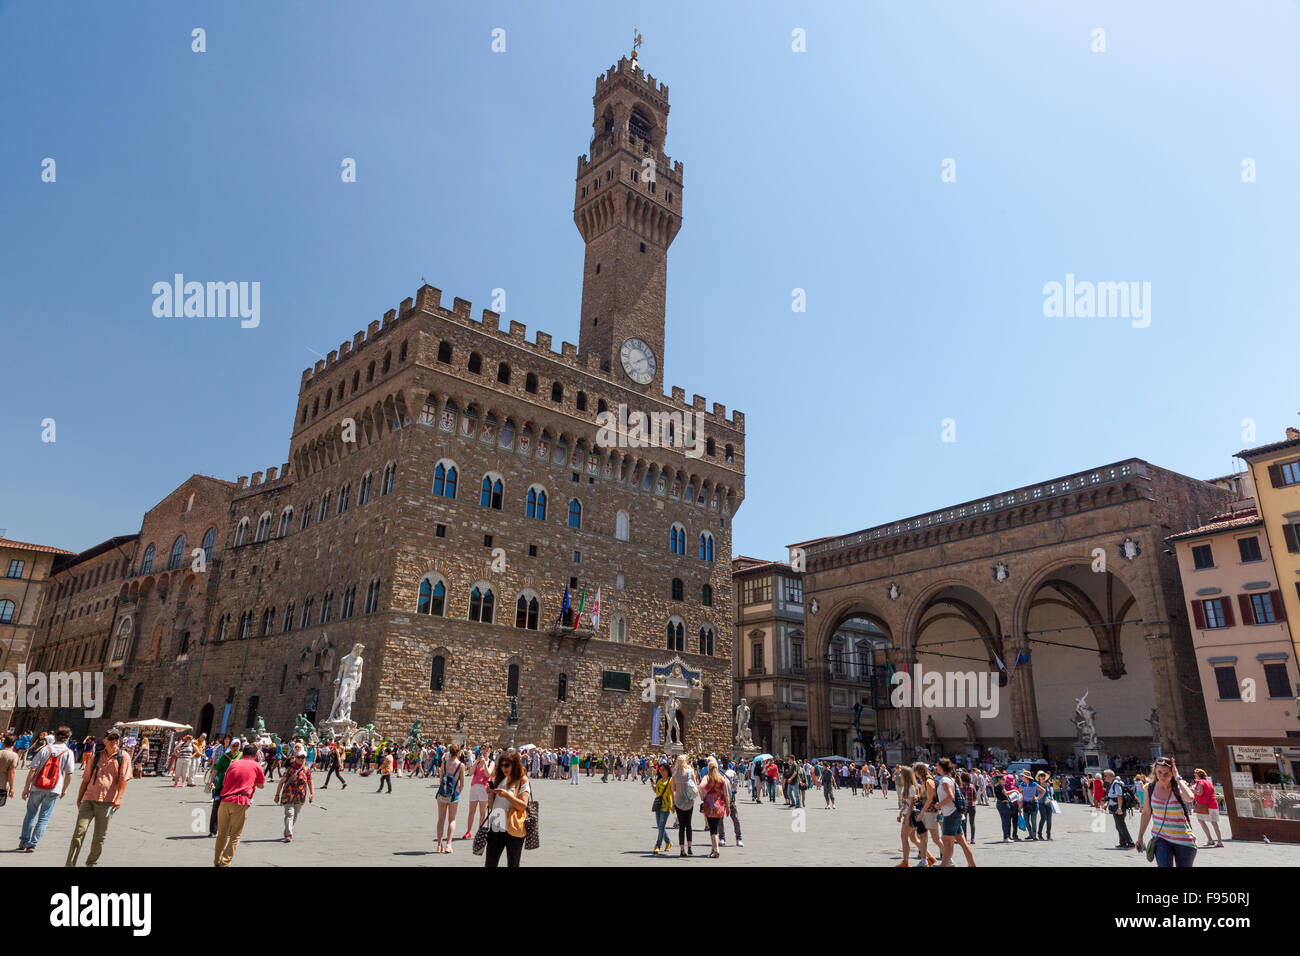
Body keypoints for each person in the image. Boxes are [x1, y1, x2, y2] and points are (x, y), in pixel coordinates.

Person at [66, 729, 130, 867]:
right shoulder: (96, 757)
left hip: (108, 803)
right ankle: (70, 864)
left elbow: (123, 779)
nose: (115, 741)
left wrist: (119, 798)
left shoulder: (123, 756)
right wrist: (79, 798)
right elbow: (85, 779)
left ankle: (91, 863)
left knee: (99, 837)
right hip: (89, 799)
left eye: (117, 738)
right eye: (111, 738)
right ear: (105, 740)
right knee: (79, 832)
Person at [18, 725, 76, 852]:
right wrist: (64, 789)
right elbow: (69, 773)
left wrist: (26, 787)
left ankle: (24, 841)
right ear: (68, 738)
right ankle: (32, 844)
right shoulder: (68, 752)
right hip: (54, 788)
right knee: (44, 817)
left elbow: (33, 769)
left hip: (37, 786)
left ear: (55, 736)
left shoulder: (45, 750)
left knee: (30, 814)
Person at [1136, 757, 1197, 867]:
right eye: (1159, 772)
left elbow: (1189, 798)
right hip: (1161, 838)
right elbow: (1146, 813)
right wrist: (1140, 837)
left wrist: (1178, 777)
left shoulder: (1178, 788)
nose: (1162, 776)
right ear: (1155, 770)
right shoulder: (1149, 788)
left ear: (1172, 773)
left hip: (1183, 838)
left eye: (1167, 773)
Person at [214, 743, 266, 867]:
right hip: (240, 801)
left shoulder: (234, 764)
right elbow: (261, 785)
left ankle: (217, 861)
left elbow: (225, 782)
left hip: (225, 800)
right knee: (235, 835)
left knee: (221, 833)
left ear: (243, 752)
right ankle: (225, 862)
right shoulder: (256, 765)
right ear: (255, 755)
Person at [484, 748, 530, 868]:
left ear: (514, 765)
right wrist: (490, 795)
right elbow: (491, 807)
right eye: (501, 765)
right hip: (496, 827)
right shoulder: (500, 779)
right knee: (490, 863)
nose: (503, 768)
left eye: (507, 765)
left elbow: (523, 805)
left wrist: (506, 795)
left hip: (513, 828)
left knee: (513, 864)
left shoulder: (522, 780)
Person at [934, 758, 977, 867]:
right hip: (955, 813)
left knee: (947, 842)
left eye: (937, 765)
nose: (936, 767)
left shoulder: (944, 780)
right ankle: (972, 865)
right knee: (961, 842)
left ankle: (943, 865)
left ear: (941, 767)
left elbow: (950, 797)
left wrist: (939, 804)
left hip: (950, 814)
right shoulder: (950, 779)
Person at [434, 744, 465, 853]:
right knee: (452, 819)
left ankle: (439, 845)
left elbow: (441, 778)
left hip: (442, 793)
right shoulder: (461, 765)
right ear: (458, 753)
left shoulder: (445, 763)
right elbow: (462, 783)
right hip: (454, 794)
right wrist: (458, 793)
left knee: (441, 819)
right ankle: (448, 845)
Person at [700, 757, 730, 858]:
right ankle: (713, 849)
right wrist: (728, 807)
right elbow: (726, 795)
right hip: (720, 807)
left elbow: (701, 786)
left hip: (709, 806)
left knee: (713, 830)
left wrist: (702, 796)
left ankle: (716, 850)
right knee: (715, 828)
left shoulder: (707, 777)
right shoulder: (721, 779)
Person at [671, 753, 698, 857]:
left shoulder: (674, 773)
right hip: (689, 801)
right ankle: (690, 847)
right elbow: (695, 786)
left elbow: (672, 789)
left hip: (678, 801)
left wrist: (673, 802)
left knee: (681, 826)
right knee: (689, 825)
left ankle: (682, 849)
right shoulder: (690, 772)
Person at [462, 746, 492, 841]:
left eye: (485, 752)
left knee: (482, 812)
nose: (483, 753)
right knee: (471, 811)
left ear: (489, 752)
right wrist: (476, 762)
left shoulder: (491, 763)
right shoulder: (477, 762)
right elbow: (470, 773)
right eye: (481, 751)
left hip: (484, 788)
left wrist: (484, 763)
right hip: (474, 787)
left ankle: (480, 831)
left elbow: (488, 774)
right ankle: (468, 831)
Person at [1191, 768, 1225, 848]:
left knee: (1201, 820)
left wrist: (1192, 790)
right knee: (1214, 823)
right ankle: (1220, 841)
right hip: (1213, 804)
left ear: (1198, 775)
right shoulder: (1208, 782)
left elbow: (1200, 793)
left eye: (1195, 774)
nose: (1194, 775)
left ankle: (1210, 840)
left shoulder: (1200, 782)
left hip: (1204, 805)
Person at [1104, 769, 1135, 849]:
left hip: (1118, 807)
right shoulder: (1113, 783)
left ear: (1110, 776)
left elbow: (1119, 796)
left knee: (1121, 825)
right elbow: (1112, 796)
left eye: (1105, 776)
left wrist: (1119, 808)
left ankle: (1130, 843)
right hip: (1116, 806)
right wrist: (1107, 803)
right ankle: (1122, 842)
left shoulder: (1116, 783)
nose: (1104, 778)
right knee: (1119, 826)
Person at [652, 760, 674, 854]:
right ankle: (668, 842)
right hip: (658, 805)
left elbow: (673, 793)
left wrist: (674, 805)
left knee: (661, 826)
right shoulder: (659, 780)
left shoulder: (671, 780)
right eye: (660, 770)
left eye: (662, 770)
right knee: (660, 826)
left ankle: (658, 845)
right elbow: (656, 792)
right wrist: (652, 785)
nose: (661, 771)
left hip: (666, 805)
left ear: (667, 770)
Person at [0, 734, 19, 806]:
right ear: (14, 743)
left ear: (4, 742)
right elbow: (11, 773)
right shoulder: (14, 756)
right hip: (2, 785)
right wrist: (11, 788)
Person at [959, 770, 977, 842]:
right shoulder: (972, 786)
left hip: (964, 806)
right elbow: (975, 797)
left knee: (964, 822)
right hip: (972, 805)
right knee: (972, 822)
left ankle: (965, 838)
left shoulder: (960, 786)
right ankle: (972, 838)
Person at [1035, 770, 1054, 840]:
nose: (1042, 777)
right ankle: (1039, 834)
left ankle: (1048, 835)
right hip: (1041, 803)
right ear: (1039, 777)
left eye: (1043, 776)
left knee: (1049, 820)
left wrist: (1051, 798)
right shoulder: (1037, 785)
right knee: (1043, 818)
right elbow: (1035, 794)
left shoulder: (1048, 784)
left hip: (1048, 803)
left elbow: (1050, 794)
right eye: (1041, 776)